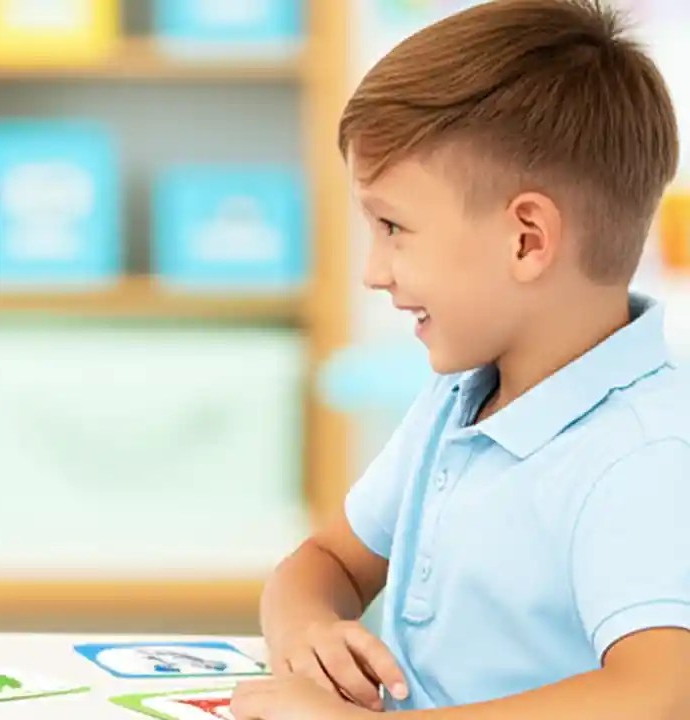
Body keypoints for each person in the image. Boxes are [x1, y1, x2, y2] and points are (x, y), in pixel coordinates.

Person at [231, 1, 690, 718]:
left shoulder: (642, 454)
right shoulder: (460, 401)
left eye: (393, 227)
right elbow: (325, 562)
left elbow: (658, 695)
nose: (374, 272)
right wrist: (309, 629)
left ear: (527, 240)